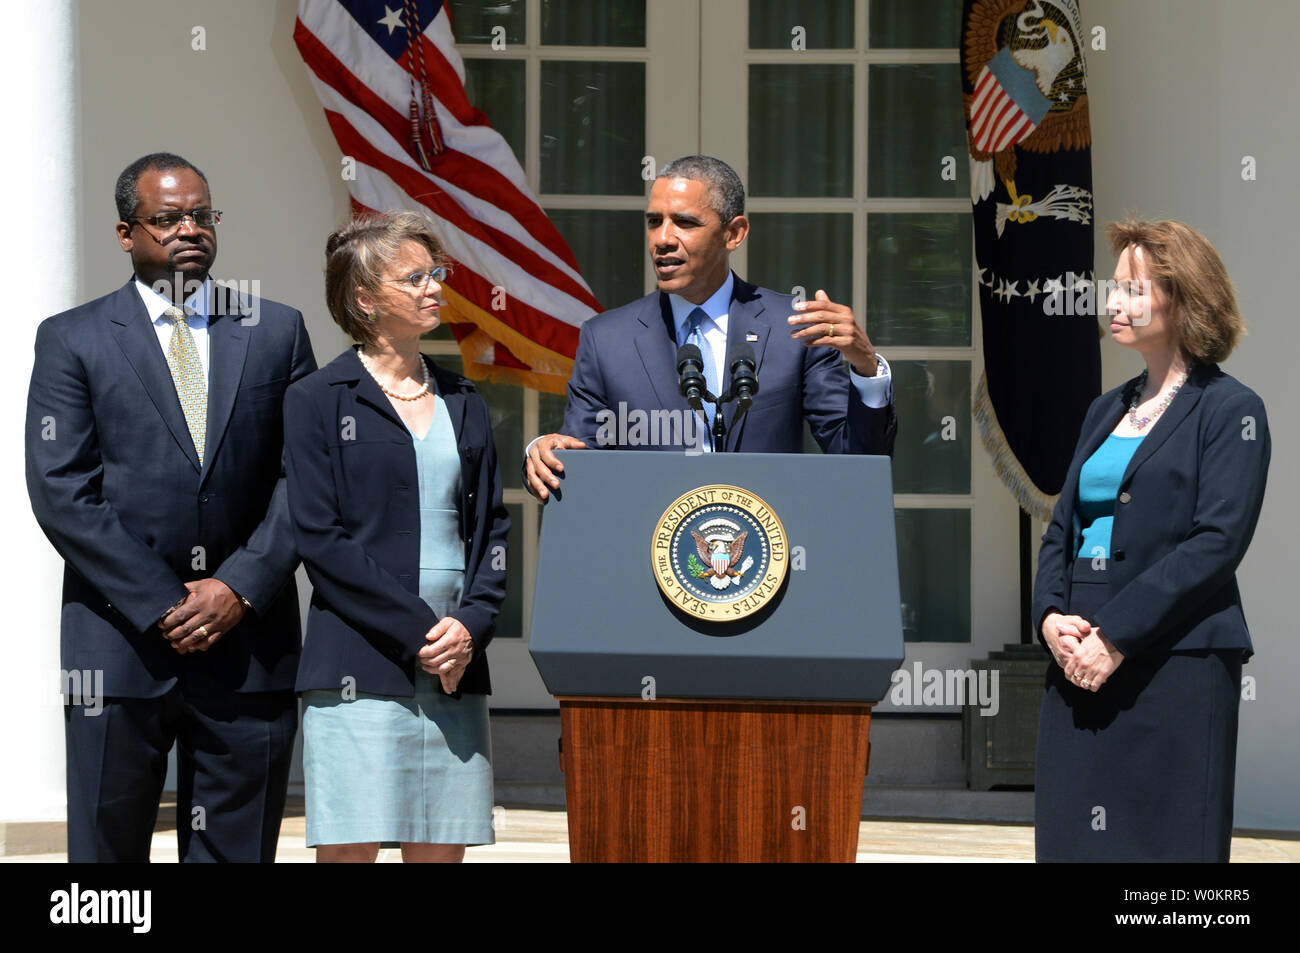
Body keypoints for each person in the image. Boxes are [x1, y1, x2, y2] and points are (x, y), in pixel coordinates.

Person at [25, 152, 316, 862]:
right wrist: (165, 603)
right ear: (126, 233)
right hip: (118, 648)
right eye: (168, 218)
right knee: (107, 877)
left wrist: (236, 588)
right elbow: (63, 490)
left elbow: (306, 478)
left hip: (248, 648)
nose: (189, 229)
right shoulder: (72, 338)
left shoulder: (276, 330)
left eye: (201, 215)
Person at [1032, 218, 1270, 862]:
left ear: (1184, 299)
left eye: (1134, 290)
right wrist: (1050, 616)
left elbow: (1216, 541)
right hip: (1078, 660)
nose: (1114, 301)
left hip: (1176, 664)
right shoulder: (1104, 409)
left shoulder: (1232, 411)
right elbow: (1062, 526)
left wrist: (1116, 636)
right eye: (1114, 287)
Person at [283, 211, 510, 863]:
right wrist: (423, 633)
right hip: (359, 662)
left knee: (439, 850)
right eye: (415, 278)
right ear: (365, 298)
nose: (434, 287)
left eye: (436, 273)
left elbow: (492, 528)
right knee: (350, 850)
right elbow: (320, 539)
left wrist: (470, 625)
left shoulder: (464, 398)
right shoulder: (317, 398)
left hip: (455, 666)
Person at [525, 155, 896, 500]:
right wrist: (544, 454)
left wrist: (866, 368)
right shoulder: (606, 339)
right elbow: (578, 462)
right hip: (649, 544)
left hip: (770, 542)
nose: (662, 239)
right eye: (654, 222)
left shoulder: (795, 330)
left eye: (684, 222)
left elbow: (859, 462)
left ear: (734, 234)